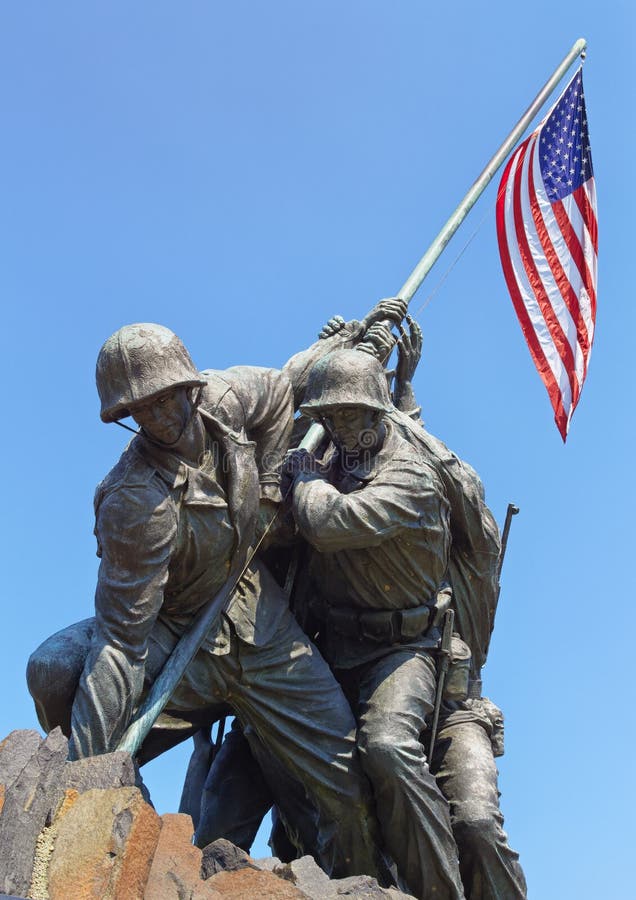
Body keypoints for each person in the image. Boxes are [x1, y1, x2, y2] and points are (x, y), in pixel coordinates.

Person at [26, 322, 387, 880]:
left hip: (260, 625)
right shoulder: (132, 501)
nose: (160, 418)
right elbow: (121, 644)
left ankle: (363, 885)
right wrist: (84, 787)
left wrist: (272, 484)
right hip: (177, 639)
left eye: (168, 398)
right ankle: (110, 804)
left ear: (189, 387)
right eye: (142, 410)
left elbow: (284, 391)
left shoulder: (228, 398)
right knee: (54, 672)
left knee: (343, 767)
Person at [284, 347, 466, 900]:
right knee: (273, 742)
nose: (337, 426)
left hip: (402, 648)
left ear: (376, 413)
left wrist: (303, 480)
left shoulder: (412, 474)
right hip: (332, 644)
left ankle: (438, 891)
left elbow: (331, 521)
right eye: (329, 416)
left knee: (386, 745)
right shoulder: (339, 462)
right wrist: (332, 341)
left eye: (349, 414)